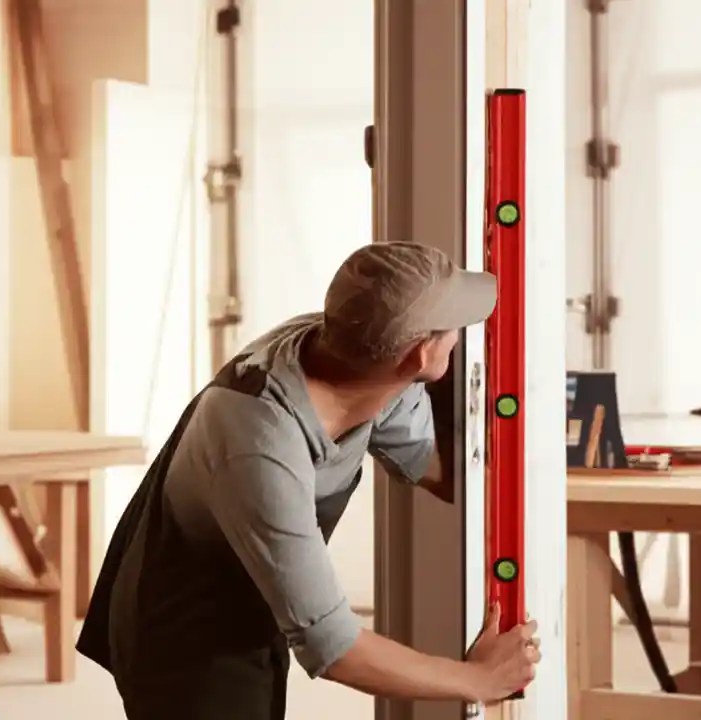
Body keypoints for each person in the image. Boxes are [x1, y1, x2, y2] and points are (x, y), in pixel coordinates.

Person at [77, 241, 541, 718]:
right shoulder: (260, 445)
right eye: (452, 328)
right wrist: (476, 680)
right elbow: (331, 644)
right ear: (419, 355)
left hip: (253, 596)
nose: (461, 334)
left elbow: (437, 468)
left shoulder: (355, 355)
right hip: (185, 633)